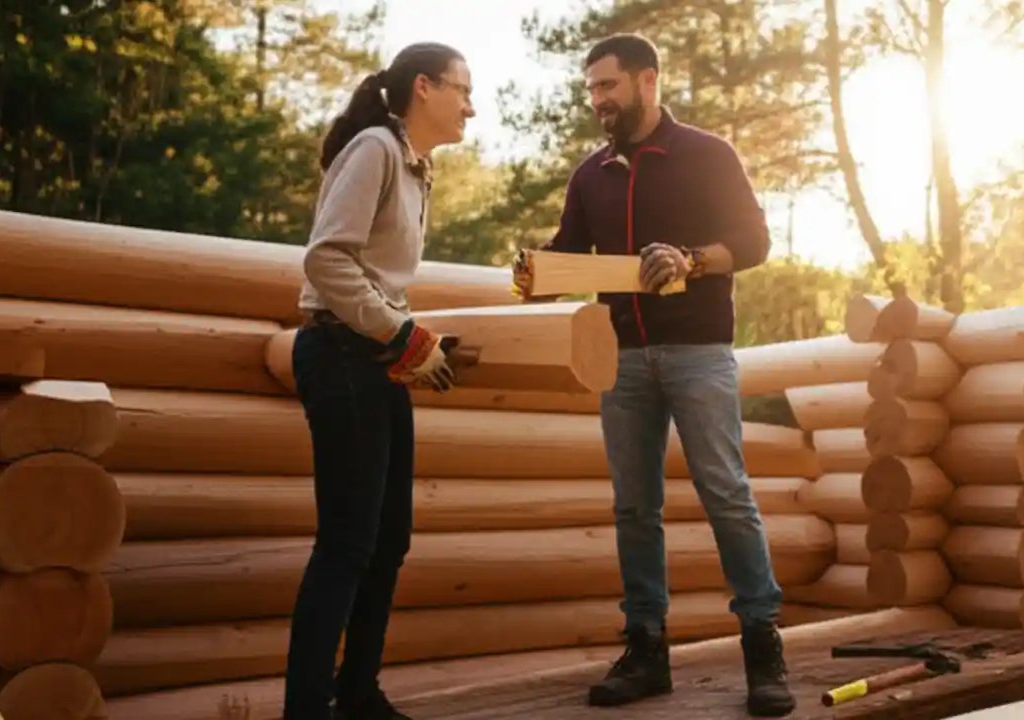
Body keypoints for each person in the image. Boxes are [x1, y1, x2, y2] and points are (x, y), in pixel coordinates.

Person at [512, 33, 796, 717]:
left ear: (646, 81)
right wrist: (536, 274)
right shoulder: (590, 175)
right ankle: (646, 648)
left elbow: (755, 241)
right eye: (590, 90)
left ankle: (763, 646)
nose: (597, 101)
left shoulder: (707, 154)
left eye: (606, 86)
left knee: (725, 492)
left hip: (699, 350)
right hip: (623, 358)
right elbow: (570, 253)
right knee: (634, 507)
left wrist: (692, 260)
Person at [284, 43, 475, 720]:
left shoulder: (415, 167)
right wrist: (399, 333)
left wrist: (407, 338)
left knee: (388, 540)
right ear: (423, 88)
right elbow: (328, 262)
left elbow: (374, 277)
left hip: (372, 357)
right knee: (347, 544)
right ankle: (307, 708)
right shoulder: (374, 149)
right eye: (462, 90)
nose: (470, 107)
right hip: (338, 355)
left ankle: (358, 695)